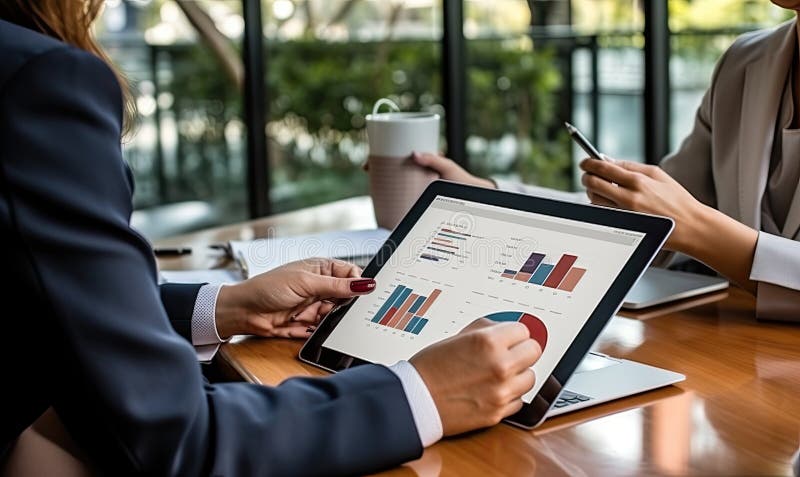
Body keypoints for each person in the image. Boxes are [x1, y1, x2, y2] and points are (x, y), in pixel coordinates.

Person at [0, 2, 543, 475]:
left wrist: (227, 306)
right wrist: (423, 393)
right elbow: (176, 442)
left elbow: (29, 299)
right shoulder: (39, 80)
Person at [411, 0, 800, 322]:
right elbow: (635, 225)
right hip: (737, 366)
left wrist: (695, 227)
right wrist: (487, 196)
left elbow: (677, 221)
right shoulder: (743, 63)